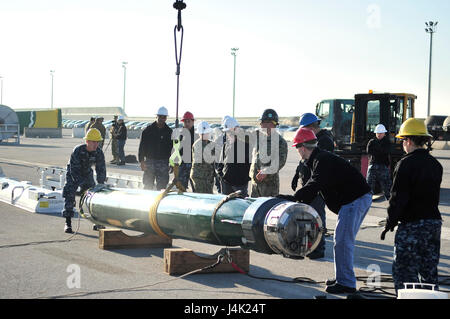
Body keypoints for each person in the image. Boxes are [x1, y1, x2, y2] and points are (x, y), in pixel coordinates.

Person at [278, 128, 372, 294]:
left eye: (297, 148)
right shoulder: (318, 160)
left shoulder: (322, 160)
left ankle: (347, 283)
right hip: (354, 199)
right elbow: (313, 189)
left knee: (343, 241)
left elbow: (315, 185)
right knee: (341, 240)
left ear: (302, 147)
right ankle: (342, 277)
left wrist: (292, 198)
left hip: (354, 200)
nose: (298, 152)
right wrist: (297, 198)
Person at [380, 118, 442, 294]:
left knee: (405, 273)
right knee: (429, 273)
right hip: (433, 224)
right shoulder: (435, 165)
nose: (402, 144)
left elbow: (398, 198)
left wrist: (390, 222)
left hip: (412, 226)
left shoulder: (405, 163)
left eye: (402, 140)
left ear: (408, 140)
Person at [291, 112, 334, 260]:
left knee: (317, 217)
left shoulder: (325, 141)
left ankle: (318, 248)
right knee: (308, 217)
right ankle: (310, 246)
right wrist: (298, 174)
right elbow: (305, 160)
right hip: (308, 184)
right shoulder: (312, 139)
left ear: (312, 127)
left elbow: (321, 167)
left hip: (317, 186)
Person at [62, 128, 106, 233]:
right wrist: (80, 185)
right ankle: (68, 222)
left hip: (87, 173)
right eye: (93, 142)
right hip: (73, 173)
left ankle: (96, 221)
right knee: (69, 193)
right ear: (87, 141)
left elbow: (101, 169)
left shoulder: (98, 152)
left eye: (97, 142)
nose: (96, 144)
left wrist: (100, 184)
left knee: (93, 196)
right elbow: (74, 170)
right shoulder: (78, 150)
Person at [237, 108, 287, 197]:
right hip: (255, 185)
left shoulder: (280, 142)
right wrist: (235, 130)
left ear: (270, 124)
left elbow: (280, 161)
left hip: (269, 186)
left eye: (262, 122)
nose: (260, 124)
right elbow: (244, 136)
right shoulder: (257, 135)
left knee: (268, 209)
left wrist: (266, 171)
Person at [138, 106, 173, 190]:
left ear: (166, 118)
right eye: (160, 116)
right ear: (156, 116)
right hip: (149, 162)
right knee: (147, 186)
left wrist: (172, 164)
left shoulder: (169, 132)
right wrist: (141, 161)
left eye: (164, 117)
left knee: (162, 188)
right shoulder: (147, 131)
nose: (162, 119)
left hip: (163, 163)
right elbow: (142, 147)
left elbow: (172, 149)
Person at [216, 116, 251, 197]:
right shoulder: (226, 144)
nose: (228, 134)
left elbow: (249, 163)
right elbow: (221, 163)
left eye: (229, 131)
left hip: (240, 185)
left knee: (241, 206)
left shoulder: (245, 144)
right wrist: (221, 176)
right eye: (227, 132)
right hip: (226, 184)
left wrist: (245, 179)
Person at [366, 124, 392, 200]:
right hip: (373, 165)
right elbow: (369, 151)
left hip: (383, 165)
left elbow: (386, 151)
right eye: (378, 133)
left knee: (386, 185)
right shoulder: (372, 142)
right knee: (369, 184)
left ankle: (390, 199)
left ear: (384, 133)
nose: (379, 134)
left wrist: (377, 151)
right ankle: (367, 199)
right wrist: (380, 151)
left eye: (381, 133)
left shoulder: (387, 142)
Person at [190, 121, 217, 194]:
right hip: (200, 177)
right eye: (206, 133)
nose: (207, 134)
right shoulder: (198, 145)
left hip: (207, 177)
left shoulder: (209, 143)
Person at [178, 111, 197, 190]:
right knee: (181, 187)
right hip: (182, 165)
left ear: (193, 122)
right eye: (185, 121)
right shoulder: (180, 134)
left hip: (194, 165)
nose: (187, 123)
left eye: (189, 121)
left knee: (196, 188)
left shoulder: (197, 134)